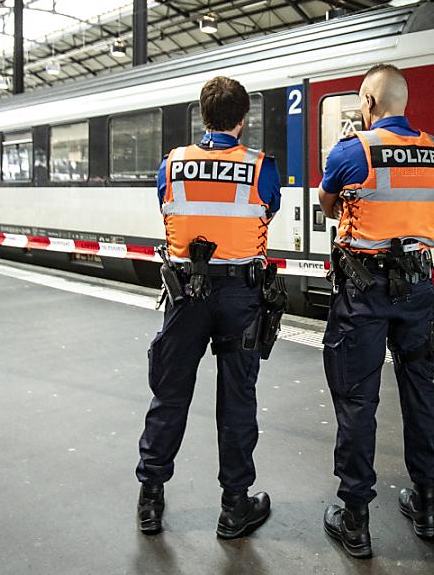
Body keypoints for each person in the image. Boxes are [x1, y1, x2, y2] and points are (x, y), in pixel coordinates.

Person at [135, 76, 281, 538]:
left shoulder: (172, 164)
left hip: (185, 294)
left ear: (203, 116)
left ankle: (150, 500)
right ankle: (234, 508)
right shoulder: (261, 167)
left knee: (170, 394)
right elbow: (268, 210)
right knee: (237, 399)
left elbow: (166, 206)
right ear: (244, 118)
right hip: (240, 294)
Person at [318, 63, 434, 558]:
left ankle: (355, 521)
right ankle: (427, 503)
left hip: (364, 289)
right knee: (420, 392)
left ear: (368, 104)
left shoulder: (353, 150)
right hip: (417, 285)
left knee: (357, 400)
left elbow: (330, 204)